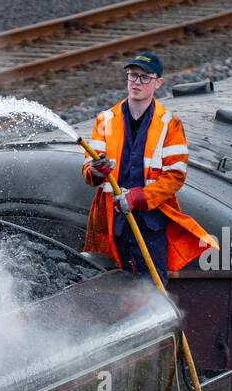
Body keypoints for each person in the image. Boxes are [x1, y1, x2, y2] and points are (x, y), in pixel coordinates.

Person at [81, 51, 213, 277]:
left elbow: (175, 175)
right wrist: (96, 171)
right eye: (132, 75)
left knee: (152, 283)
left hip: (151, 223)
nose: (136, 82)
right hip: (114, 222)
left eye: (144, 77)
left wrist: (138, 198)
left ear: (158, 82)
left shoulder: (169, 124)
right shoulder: (106, 120)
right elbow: (88, 171)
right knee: (114, 283)